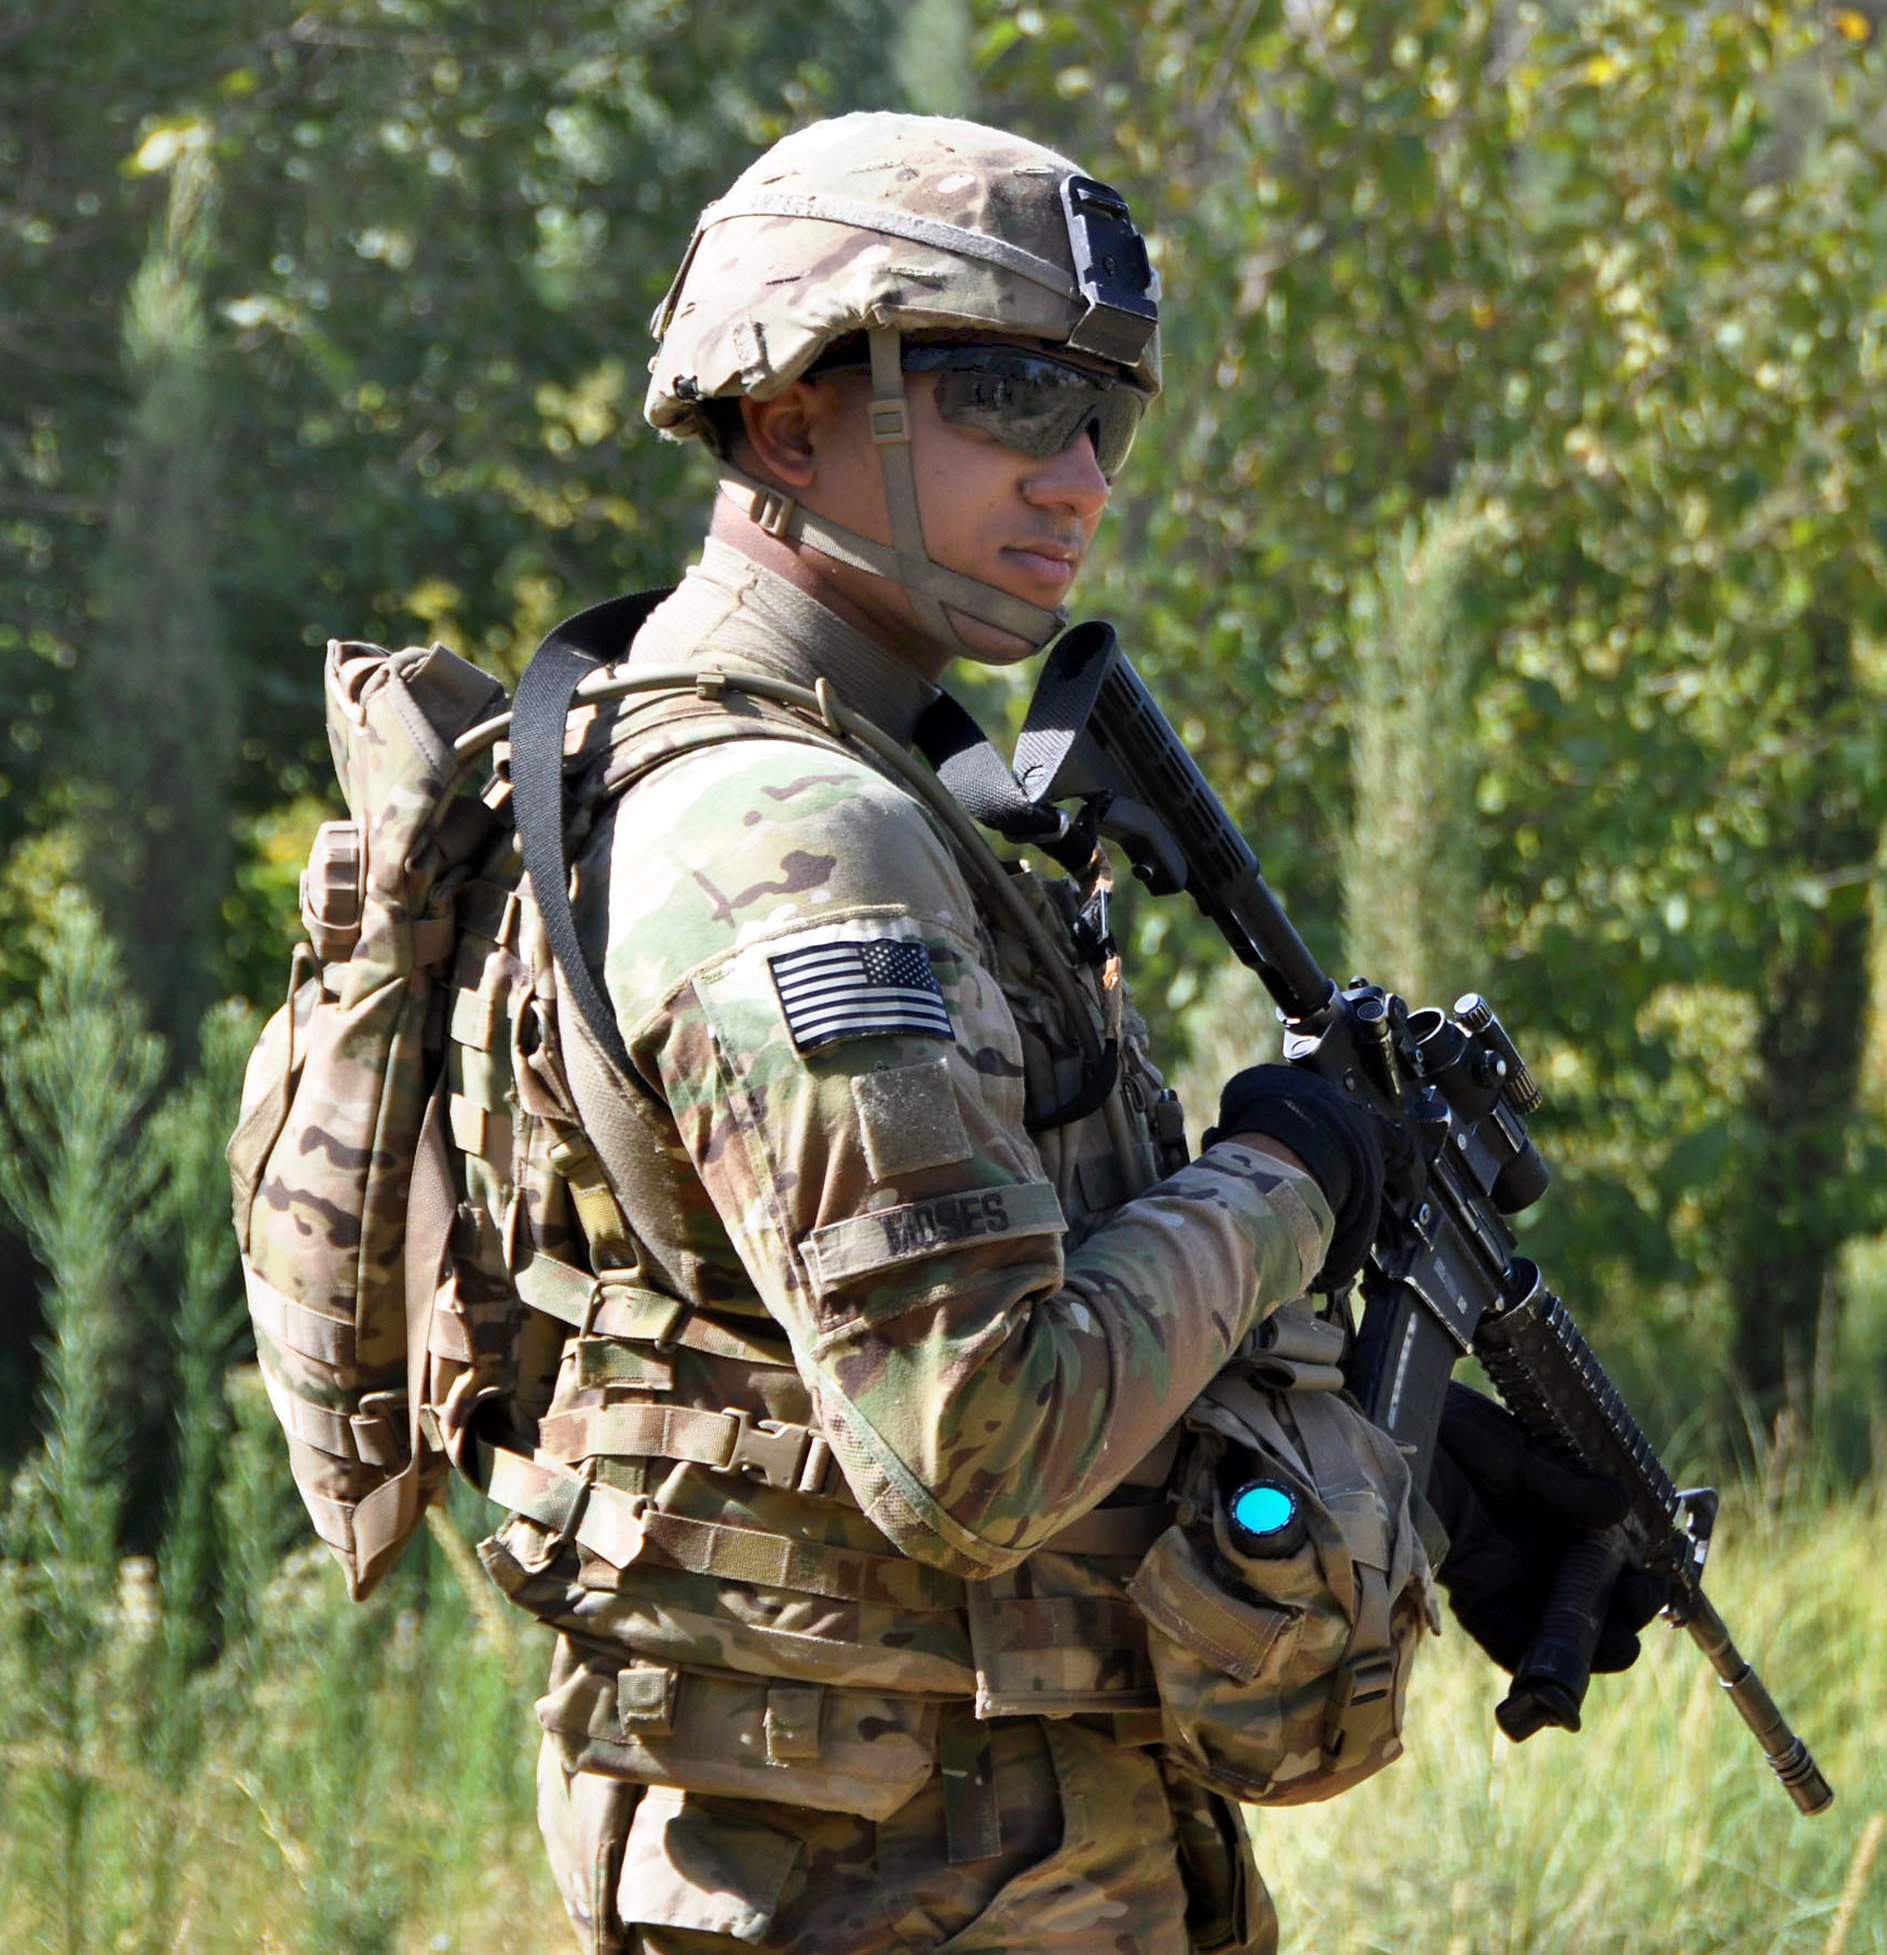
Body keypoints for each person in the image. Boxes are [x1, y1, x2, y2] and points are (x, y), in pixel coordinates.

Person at [455, 112, 1651, 1955]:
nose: (1079, 478)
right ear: (789, 416)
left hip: (962, 1847)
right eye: (1011, 396)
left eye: (1105, 415)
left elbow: (901, 1334)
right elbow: (974, 1441)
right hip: (895, 1882)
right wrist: (1296, 1174)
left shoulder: (842, 779)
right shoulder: (795, 841)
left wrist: (1386, 1456)